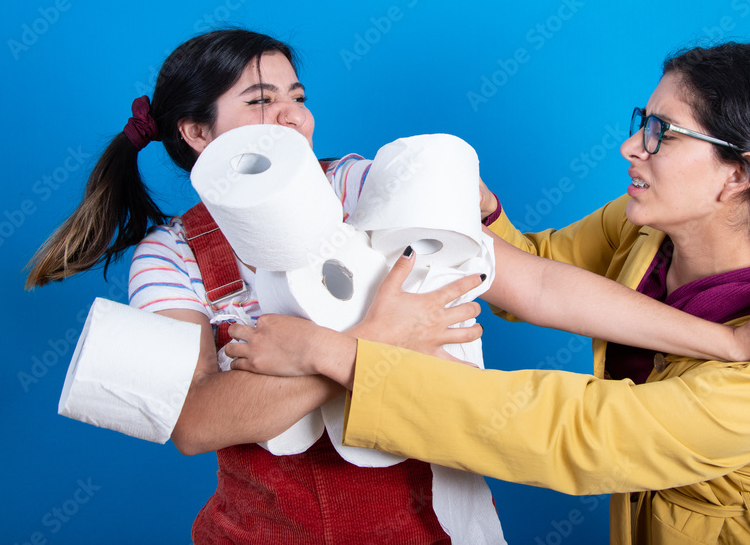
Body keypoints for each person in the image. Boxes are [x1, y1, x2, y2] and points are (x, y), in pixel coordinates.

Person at [223, 42, 750, 544]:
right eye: (641, 122)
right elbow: (539, 271)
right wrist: (473, 215)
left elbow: (571, 430)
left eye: (661, 134)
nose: (629, 147)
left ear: (738, 173)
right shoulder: (645, 227)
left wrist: (340, 354)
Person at [25, 29, 496, 543]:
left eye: (297, 96)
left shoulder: (357, 186)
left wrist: (473, 202)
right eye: (261, 101)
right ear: (198, 134)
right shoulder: (171, 255)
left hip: (430, 526)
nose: (294, 115)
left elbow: (513, 266)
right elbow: (195, 422)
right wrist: (370, 343)